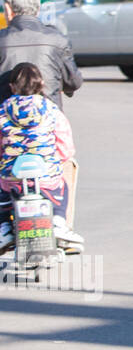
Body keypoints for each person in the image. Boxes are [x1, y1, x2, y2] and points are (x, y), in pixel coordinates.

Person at [0, 63, 82, 254]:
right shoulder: (51, 110)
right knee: (63, 186)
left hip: (12, 180)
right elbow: (65, 145)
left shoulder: (3, 112)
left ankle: (4, 228)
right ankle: (59, 222)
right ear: (42, 84)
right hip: (46, 178)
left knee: (2, 194)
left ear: (12, 87)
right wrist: (59, 159)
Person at [0, 0, 83, 110]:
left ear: (8, 9)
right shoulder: (57, 39)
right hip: (47, 120)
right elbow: (73, 82)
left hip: (6, 121)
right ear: (38, 9)